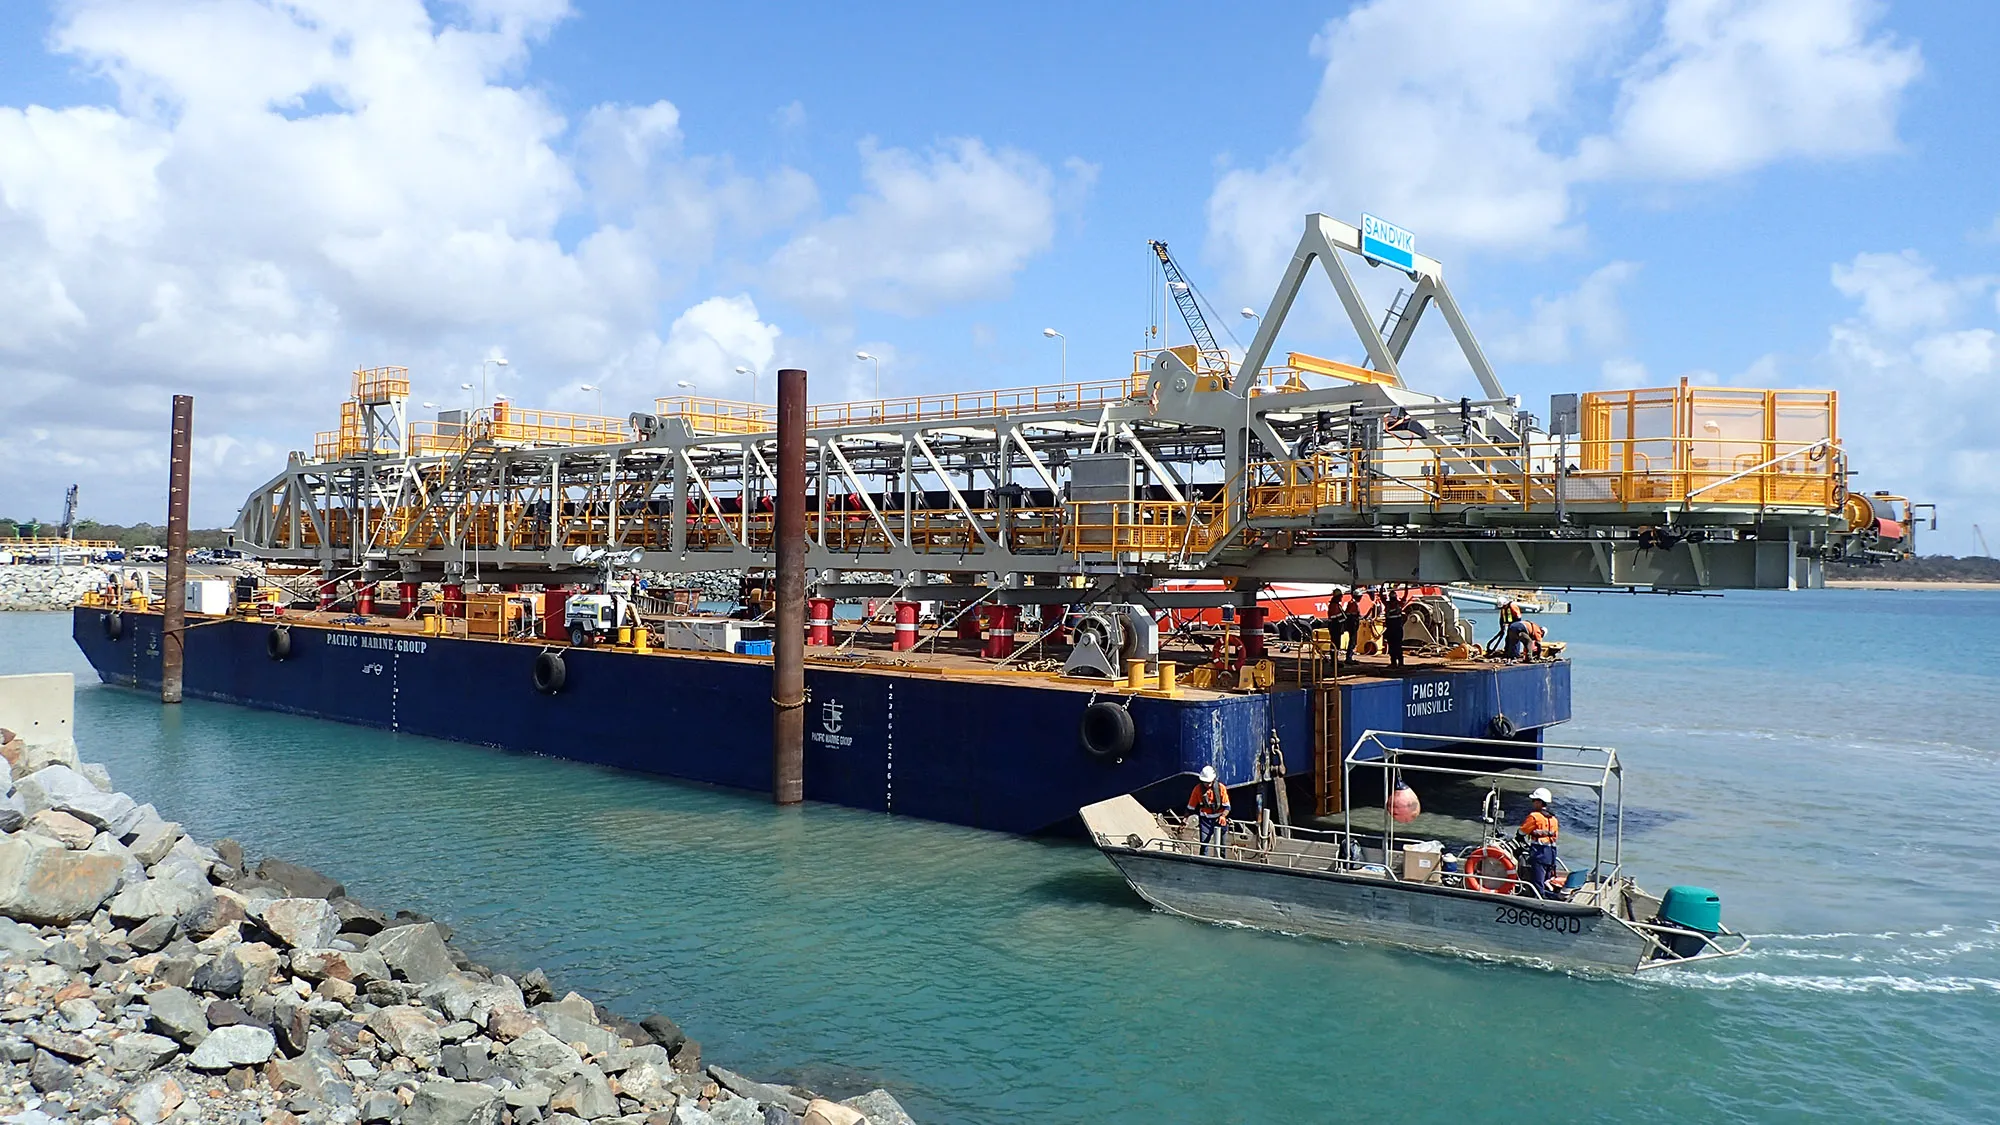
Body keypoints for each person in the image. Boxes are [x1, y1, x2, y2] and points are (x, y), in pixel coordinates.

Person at [1521, 787, 1561, 897]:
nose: (1533, 803)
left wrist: (1519, 837)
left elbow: (1522, 831)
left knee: (1537, 883)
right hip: (1551, 854)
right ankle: (1552, 896)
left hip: (1539, 854)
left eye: (1534, 801)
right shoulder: (1553, 819)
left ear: (1539, 802)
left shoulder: (1534, 817)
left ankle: (1541, 901)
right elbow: (1554, 835)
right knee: (1547, 880)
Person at [1187, 765, 1231, 857]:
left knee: (1222, 847)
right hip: (1205, 821)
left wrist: (1223, 816)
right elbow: (1190, 807)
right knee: (1204, 846)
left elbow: (1227, 807)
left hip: (1219, 820)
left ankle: (1222, 863)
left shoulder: (1221, 788)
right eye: (1206, 782)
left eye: (1209, 782)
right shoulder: (1197, 790)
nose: (1208, 785)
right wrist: (1185, 819)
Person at [1383, 585, 1408, 669]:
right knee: (1397, 646)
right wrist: (1406, 586)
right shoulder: (1398, 604)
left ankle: (1395, 662)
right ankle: (1398, 663)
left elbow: (1381, 598)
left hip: (1392, 628)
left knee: (1393, 646)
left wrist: (1382, 585)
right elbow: (1405, 596)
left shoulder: (1387, 604)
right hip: (1396, 628)